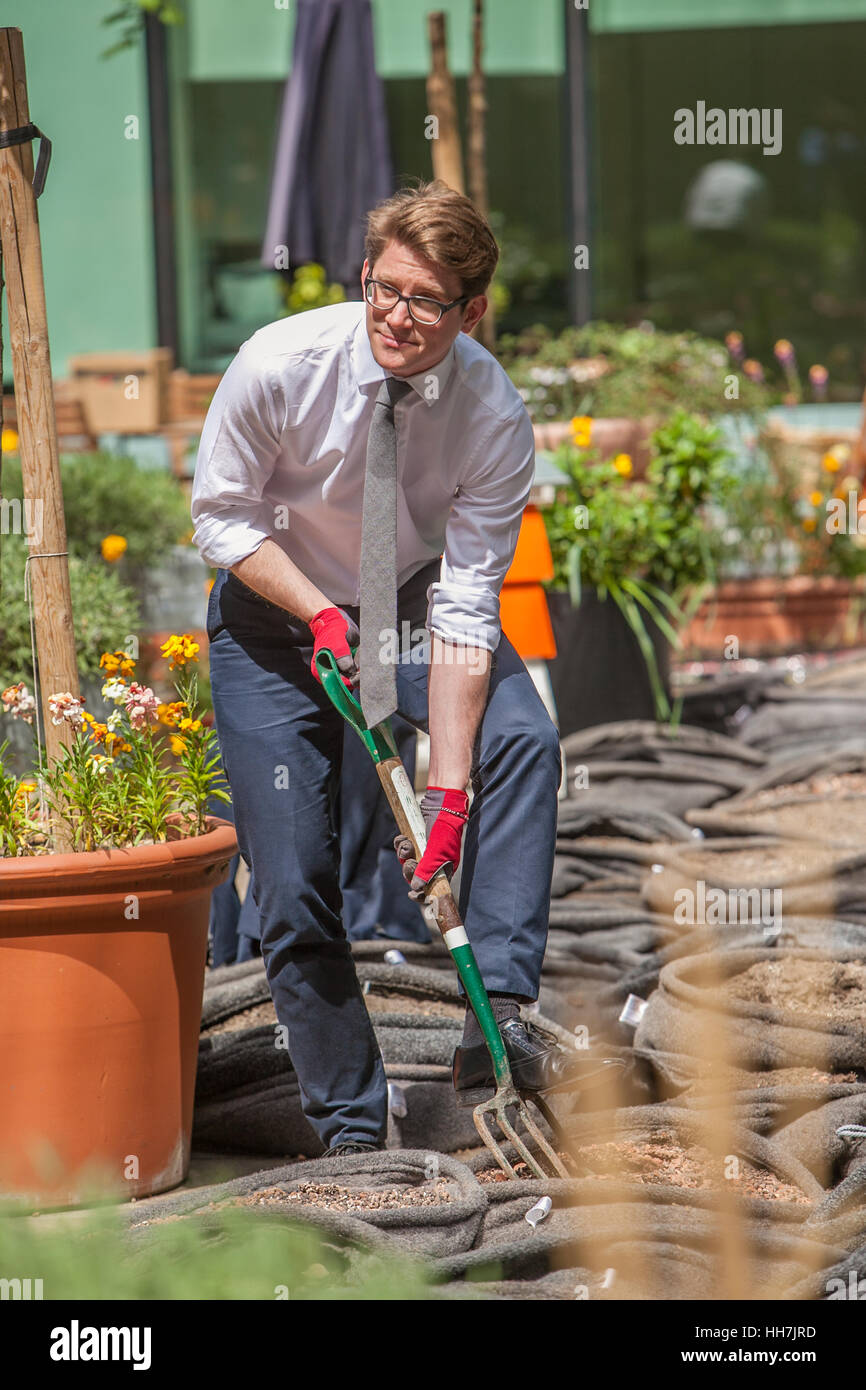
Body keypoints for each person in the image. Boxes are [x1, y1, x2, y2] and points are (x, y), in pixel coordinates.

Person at [191, 179, 592, 1157]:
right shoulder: (278, 364)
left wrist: (446, 792)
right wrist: (319, 611)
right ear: (364, 275)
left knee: (520, 743)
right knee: (290, 880)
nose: (399, 316)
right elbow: (221, 516)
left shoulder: (490, 416)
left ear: (472, 310)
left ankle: (492, 1026)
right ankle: (350, 1125)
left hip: (408, 604)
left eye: (428, 300)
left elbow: (462, 609)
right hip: (274, 611)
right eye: (387, 288)